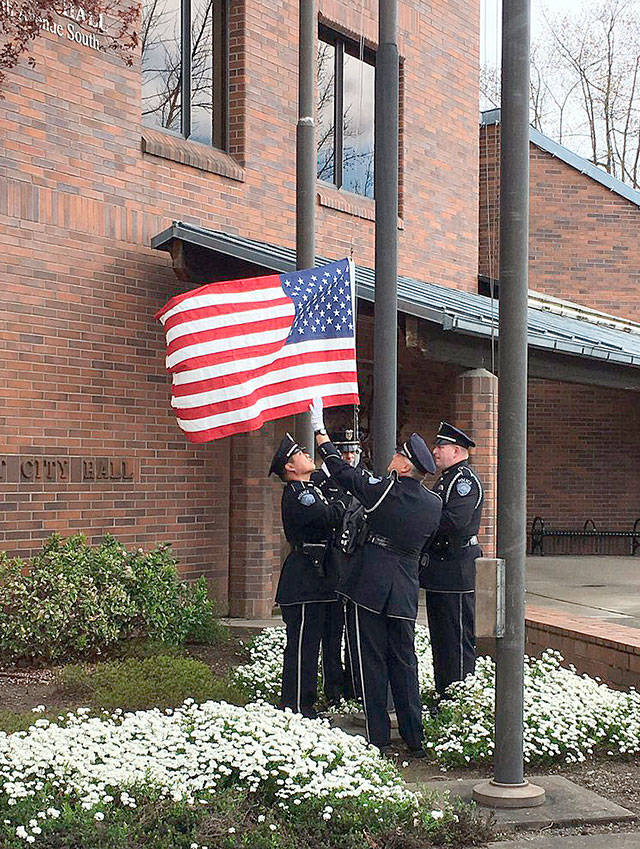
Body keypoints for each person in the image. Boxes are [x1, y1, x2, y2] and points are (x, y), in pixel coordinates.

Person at [310, 398, 442, 756]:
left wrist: (321, 434)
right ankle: (415, 737)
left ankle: (379, 736)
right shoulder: (433, 503)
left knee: (370, 661)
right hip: (405, 586)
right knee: (405, 661)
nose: (393, 457)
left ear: (405, 465)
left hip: (369, 584)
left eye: (399, 454)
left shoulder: (386, 490)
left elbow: (343, 473)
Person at [269, 432, 348, 718]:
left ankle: (330, 694)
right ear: (290, 467)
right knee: (304, 645)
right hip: (305, 578)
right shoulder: (299, 493)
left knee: (329, 640)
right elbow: (329, 517)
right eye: (300, 454)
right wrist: (342, 501)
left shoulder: (312, 488)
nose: (307, 455)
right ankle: (298, 705)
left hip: (323, 575)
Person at [422, 421, 484, 701]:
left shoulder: (463, 482)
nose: (435, 452)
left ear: (457, 451)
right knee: (441, 637)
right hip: (441, 568)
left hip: (456, 567)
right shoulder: (448, 478)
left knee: (456, 637)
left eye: (440, 447)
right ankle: (444, 691)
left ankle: (458, 697)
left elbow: (455, 521)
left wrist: (421, 523)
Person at [312, 428, 362, 705]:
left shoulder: (361, 479)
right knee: (331, 630)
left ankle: (354, 685)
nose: (349, 457)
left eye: (353, 451)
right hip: (329, 562)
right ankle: (333, 689)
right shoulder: (320, 481)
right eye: (344, 452)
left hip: (354, 564)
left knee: (354, 630)